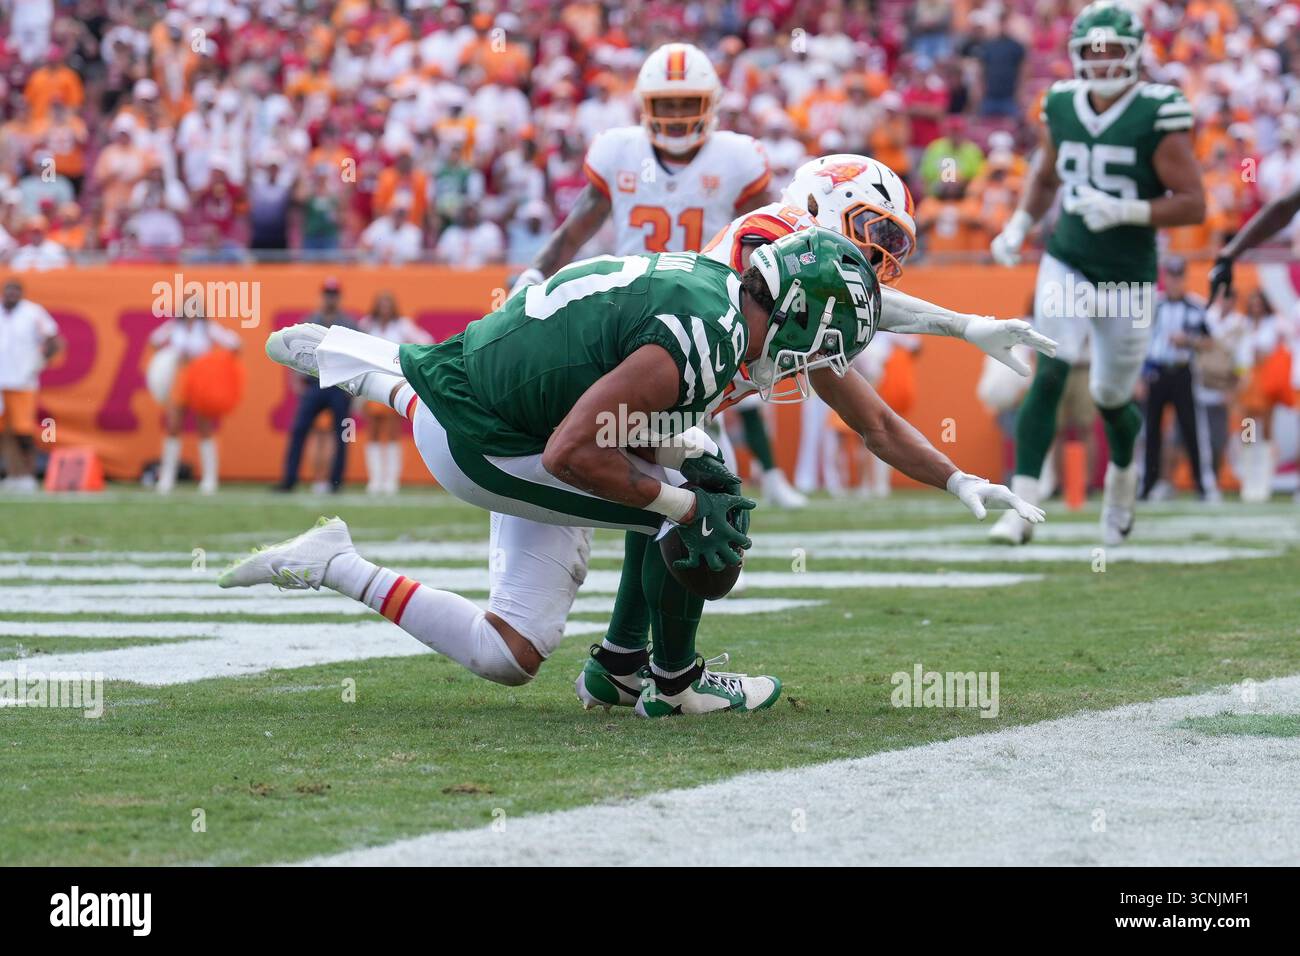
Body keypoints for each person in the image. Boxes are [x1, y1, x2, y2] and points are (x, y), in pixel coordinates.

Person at [220, 229, 1043, 717]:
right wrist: (682, 505)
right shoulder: (705, 340)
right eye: (828, 342)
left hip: (483, 378)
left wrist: (962, 479)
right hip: (489, 439)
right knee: (689, 512)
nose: (826, 362)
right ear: (798, 314)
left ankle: (339, 543)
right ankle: (674, 683)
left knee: (510, 654)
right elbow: (572, 454)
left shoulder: (719, 285)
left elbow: (870, 419)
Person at [988, 1, 1206, 545]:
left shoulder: (1158, 109)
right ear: (1076, 54)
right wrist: (1018, 225)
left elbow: (1194, 204)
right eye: (1093, 50)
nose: (1104, 61)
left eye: (1114, 50)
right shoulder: (1060, 102)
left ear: (1136, 54)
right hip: (1070, 257)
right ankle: (1024, 504)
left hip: (1128, 274)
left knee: (1111, 395)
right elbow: (1044, 175)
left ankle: (1124, 478)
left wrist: (1129, 211)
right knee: (1051, 364)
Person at [1140, 256, 1216, 501]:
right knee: (1151, 431)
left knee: (1190, 428)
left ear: (1183, 278)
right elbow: (1140, 343)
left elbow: (1209, 341)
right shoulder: (1154, 306)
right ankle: (1148, 484)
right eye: (1170, 276)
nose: (1174, 281)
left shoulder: (1196, 306)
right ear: (1165, 278)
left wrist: (1189, 341)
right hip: (1156, 372)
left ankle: (1201, 485)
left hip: (1182, 371)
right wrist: (1140, 376)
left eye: (1178, 276)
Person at [147, 299, 241, 494]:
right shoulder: (175, 325)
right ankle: (167, 478)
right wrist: (170, 356)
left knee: (204, 427)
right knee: (173, 426)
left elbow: (235, 344)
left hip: (200, 381)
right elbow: (154, 340)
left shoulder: (207, 327)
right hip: (179, 379)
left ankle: (209, 479)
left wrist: (212, 362)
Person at [274, 278, 356, 492]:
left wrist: (353, 388)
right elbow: (295, 352)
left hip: (340, 385)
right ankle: (289, 479)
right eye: (328, 294)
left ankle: (336, 481)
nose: (330, 298)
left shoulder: (349, 323)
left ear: (338, 297)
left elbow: (357, 355)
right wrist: (295, 378)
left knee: (343, 433)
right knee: (299, 429)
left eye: (333, 294)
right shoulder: (309, 321)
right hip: (314, 383)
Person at [359, 291, 431, 495]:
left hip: (394, 383)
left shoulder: (402, 325)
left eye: (388, 304)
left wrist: (406, 363)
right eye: (381, 304)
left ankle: (391, 480)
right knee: (372, 430)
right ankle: (375, 480)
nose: (384, 309)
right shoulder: (367, 324)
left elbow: (425, 340)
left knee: (392, 431)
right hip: (370, 381)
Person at [0, 280, 62, 492]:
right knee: (3, 432)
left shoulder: (33, 312)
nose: (11, 295)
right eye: (8, 291)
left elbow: (54, 339)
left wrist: (39, 363)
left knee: (23, 430)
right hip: (1, 379)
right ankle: (11, 473)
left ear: (21, 294)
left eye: (15, 291)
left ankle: (28, 474)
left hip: (21, 381)